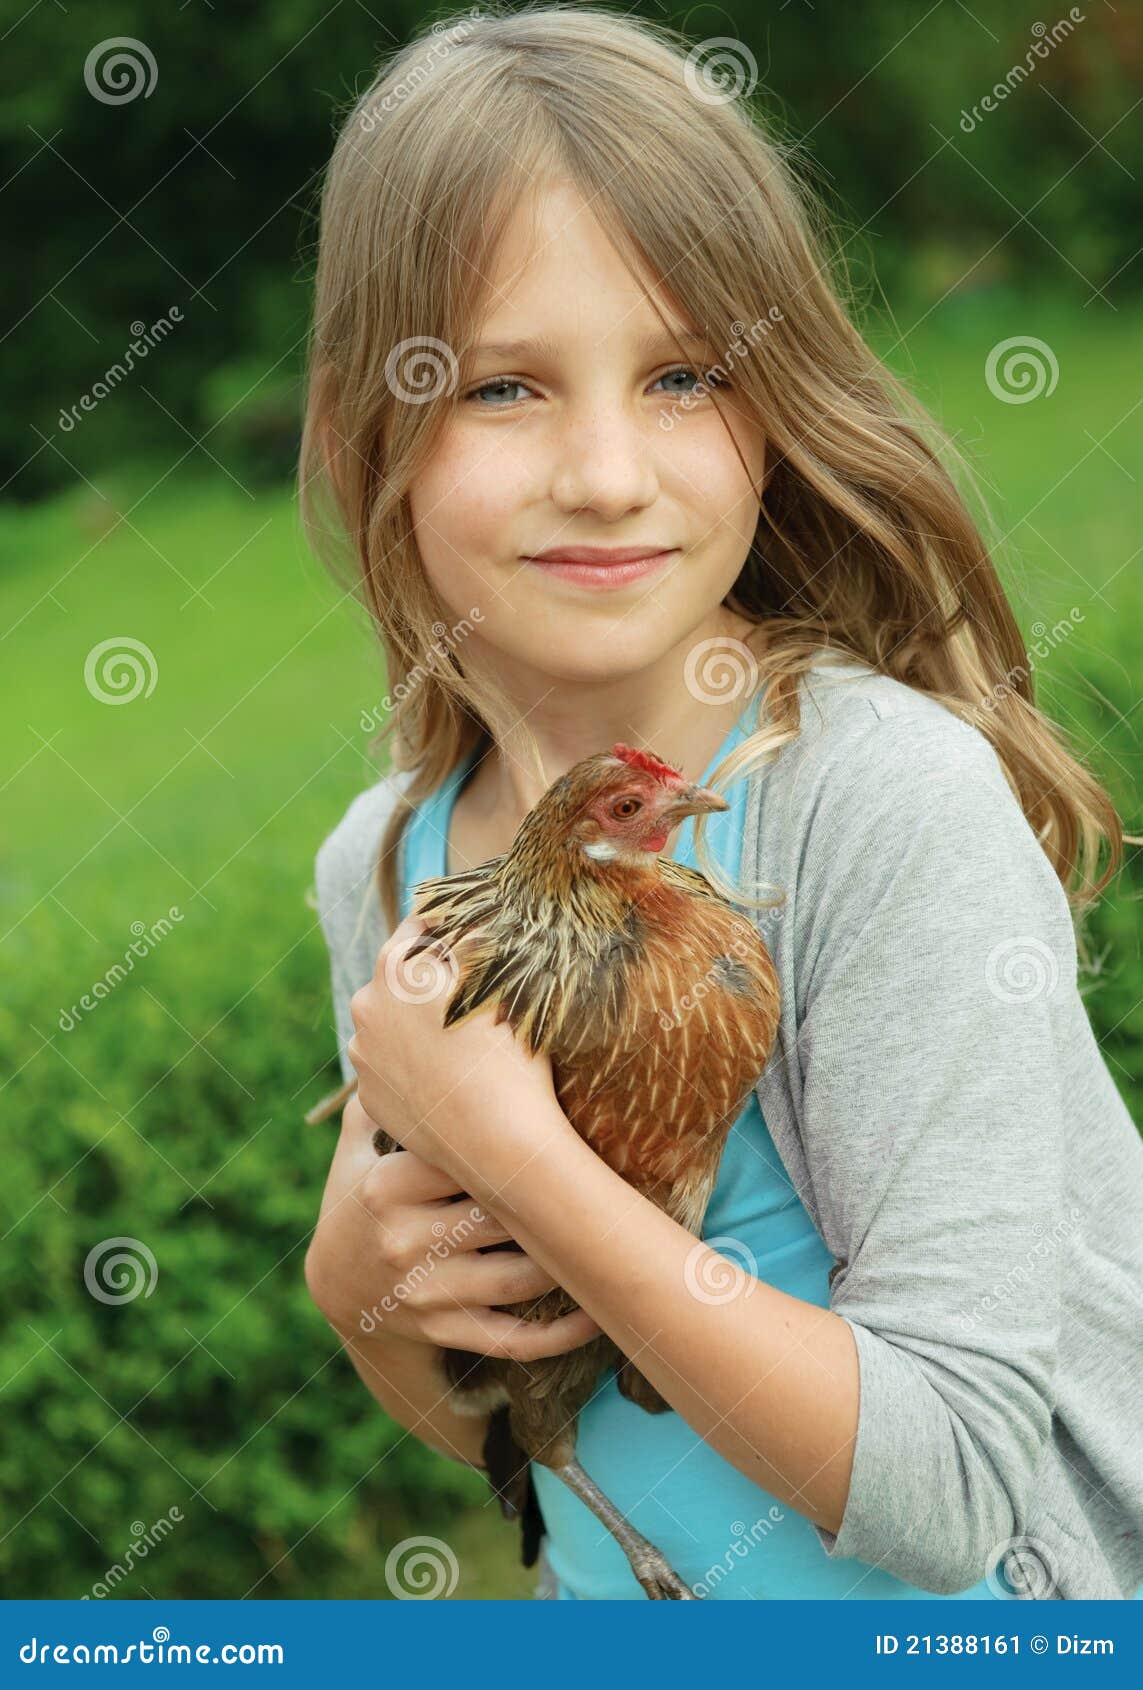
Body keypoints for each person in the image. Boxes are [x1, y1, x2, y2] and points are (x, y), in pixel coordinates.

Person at [299, 5, 1143, 1600]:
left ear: (775, 404)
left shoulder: (879, 808)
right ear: (366, 433)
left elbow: (955, 1480)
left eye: (683, 373)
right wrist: (353, 1280)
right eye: (503, 388)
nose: (608, 469)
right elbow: (508, 1423)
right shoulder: (387, 867)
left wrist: (516, 1151)